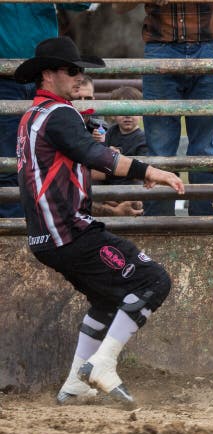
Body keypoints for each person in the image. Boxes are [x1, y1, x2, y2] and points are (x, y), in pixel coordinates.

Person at [14, 37, 185, 406]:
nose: (79, 77)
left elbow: (70, 163)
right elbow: (95, 156)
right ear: (48, 74)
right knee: (154, 280)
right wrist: (150, 170)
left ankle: (76, 382)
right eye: (71, 70)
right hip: (69, 232)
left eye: (81, 71)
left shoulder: (33, 116)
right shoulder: (60, 115)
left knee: (107, 298)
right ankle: (102, 364)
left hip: (47, 237)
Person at [115, 1, 213, 217]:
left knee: (204, 149)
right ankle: (159, 227)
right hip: (161, 45)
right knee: (160, 149)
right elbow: (117, 6)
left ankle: (206, 226)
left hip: (206, 43)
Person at [0, 1, 90, 218]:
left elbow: (82, 3)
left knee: (52, 153)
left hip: (46, 74)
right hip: (5, 77)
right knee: (8, 158)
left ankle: (52, 221)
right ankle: (16, 227)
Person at [91, 86, 149, 216]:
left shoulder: (143, 139)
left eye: (132, 110)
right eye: (122, 110)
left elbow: (140, 169)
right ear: (113, 114)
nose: (127, 115)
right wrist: (105, 150)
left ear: (141, 113)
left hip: (130, 186)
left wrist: (117, 158)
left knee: (136, 191)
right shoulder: (110, 132)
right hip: (108, 184)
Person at [76, 75, 108, 144]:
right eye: (78, 99)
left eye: (88, 99)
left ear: (93, 100)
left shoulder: (101, 127)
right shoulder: (58, 126)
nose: (83, 106)